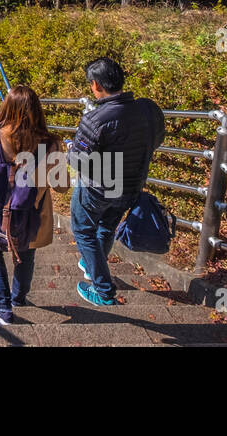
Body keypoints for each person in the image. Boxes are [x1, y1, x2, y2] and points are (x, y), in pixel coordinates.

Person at [68, 56, 166, 307]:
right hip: (130, 185)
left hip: (96, 188)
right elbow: (156, 140)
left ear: (96, 85)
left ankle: (103, 290)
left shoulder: (95, 119)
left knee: (83, 231)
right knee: (106, 228)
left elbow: (78, 160)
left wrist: (69, 148)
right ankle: (93, 266)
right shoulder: (148, 109)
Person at [0, 85, 60, 325]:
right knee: (26, 250)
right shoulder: (51, 144)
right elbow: (62, 186)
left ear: (7, 107)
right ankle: (18, 297)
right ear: (37, 110)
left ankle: (2, 304)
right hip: (33, 210)